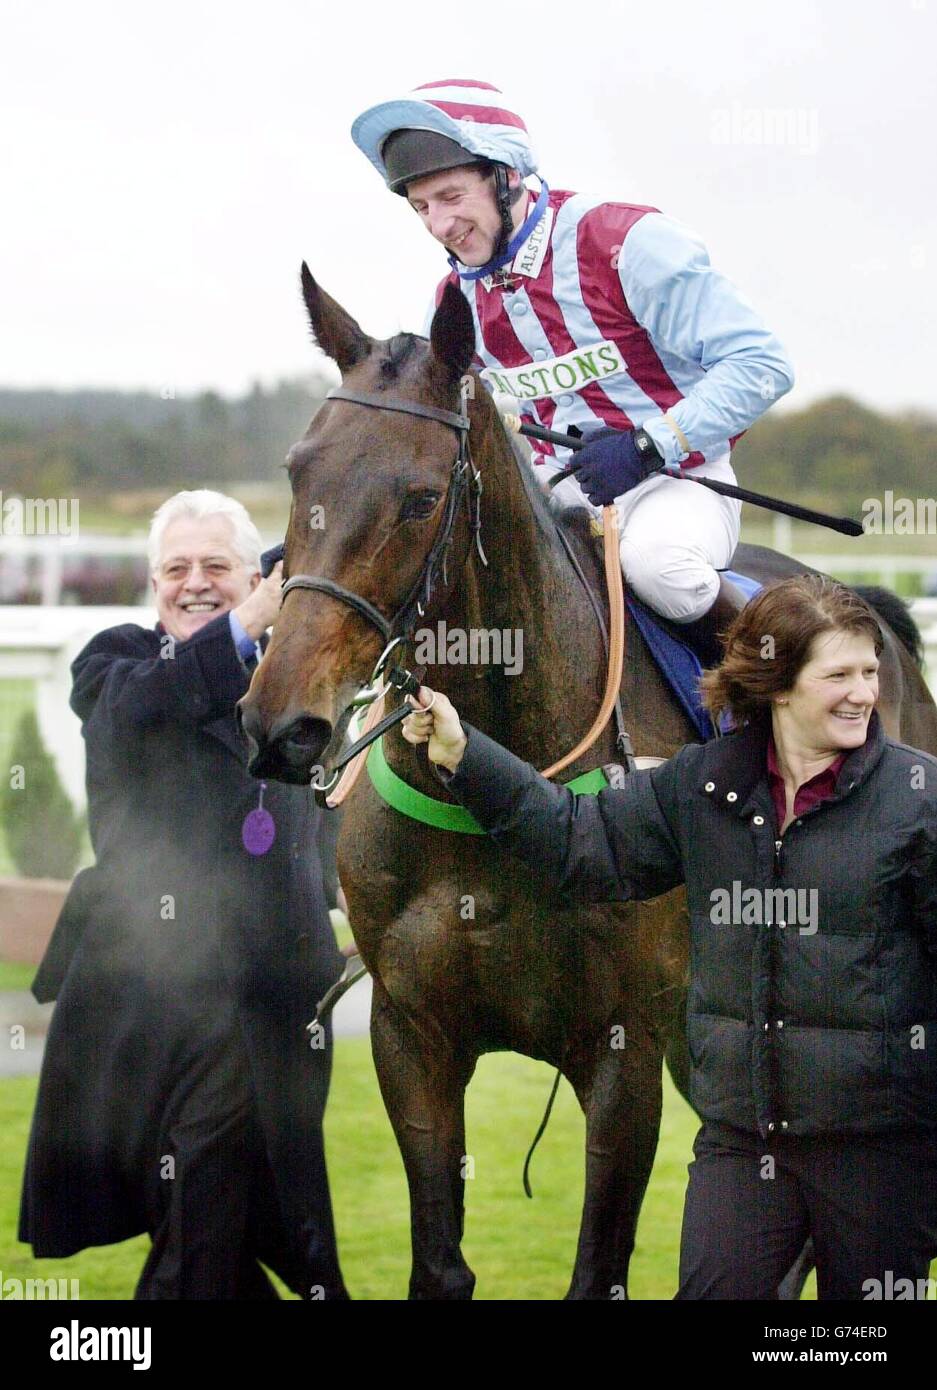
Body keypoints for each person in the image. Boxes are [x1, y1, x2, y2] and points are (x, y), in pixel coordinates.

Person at [400, 574, 937, 1300]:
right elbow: (576, 840)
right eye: (837, 674)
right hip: (742, 1147)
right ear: (777, 684)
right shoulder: (701, 786)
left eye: (869, 672)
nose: (862, 693)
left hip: (879, 1155)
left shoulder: (918, 802)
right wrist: (468, 756)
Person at [19, 489, 348, 1300]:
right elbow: (145, 711)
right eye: (176, 567)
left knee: (222, 1213)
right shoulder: (115, 664)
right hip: (153, 1000)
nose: (194, 582)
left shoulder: (293, 675)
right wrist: (247, 624)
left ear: (252, 573)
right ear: (153, 580)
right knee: (202, 1211)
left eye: (216, 566)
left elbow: (320, 809)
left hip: (277, 1000)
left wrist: (349, 897)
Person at [351, 78, 795, 661]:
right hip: (553, 495)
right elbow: (430, 426)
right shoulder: (454, 298)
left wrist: (647, 446)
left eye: (452, 197)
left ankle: (783, 683)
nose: (439, 226)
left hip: (675, 481)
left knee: (658, 567)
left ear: (506, 176)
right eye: (422, 207)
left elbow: (762, 364)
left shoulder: (624, 241)